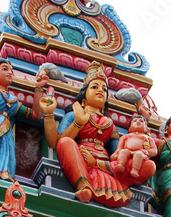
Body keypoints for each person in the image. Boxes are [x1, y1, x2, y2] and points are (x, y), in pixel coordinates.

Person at [41, 62, 155, 207]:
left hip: (107, 165)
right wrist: (73, 121)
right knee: (66, 143)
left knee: (149, 166)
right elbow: (54, 142)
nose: (100, 90)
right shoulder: (73, 115)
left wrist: (141, 146)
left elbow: (117, 152)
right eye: (94, 87)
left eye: (104, 89)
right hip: (81, 158)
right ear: (84, 96)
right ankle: (84, 185)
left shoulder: (110, 123)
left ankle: (119, 182)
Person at [110, 114, 157, 179]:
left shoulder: (147, 138)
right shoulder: (125, 137)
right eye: (135, 121)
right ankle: (121, 165)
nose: (138, 122)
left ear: (146, 128)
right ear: (129, 128)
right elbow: (119, 148)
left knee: (138, 154)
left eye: (141, 121)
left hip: (141, 152)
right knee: (123, 151)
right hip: (127, 151)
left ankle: (135, 170)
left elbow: (154, 150)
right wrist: (116, 153)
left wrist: (148, 152)